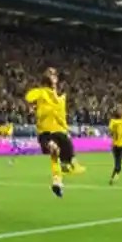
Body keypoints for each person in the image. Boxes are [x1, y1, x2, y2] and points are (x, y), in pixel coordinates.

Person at [25, 67, 83, 198]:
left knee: (58, 155)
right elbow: (29, 97)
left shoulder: (59, 96)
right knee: (54, 150)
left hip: (59, 131)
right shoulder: (41, 92)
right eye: (51, 74)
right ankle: (64, 169)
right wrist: (32, 106)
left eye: (54, 74)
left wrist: (67, 128)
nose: (53, 76)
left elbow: (60, 115)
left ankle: (58, 181)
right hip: (46, 132)